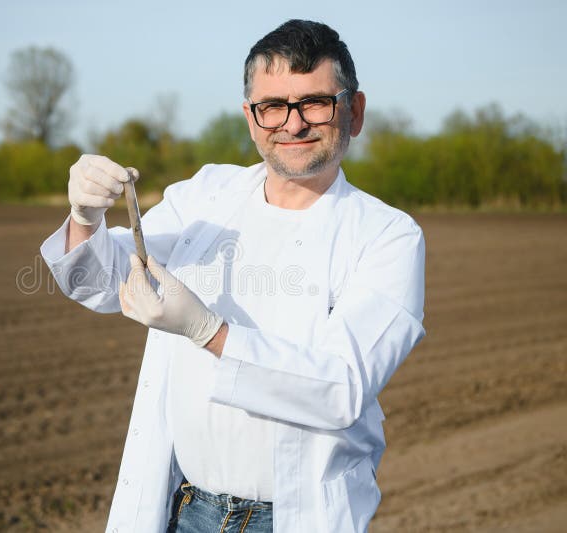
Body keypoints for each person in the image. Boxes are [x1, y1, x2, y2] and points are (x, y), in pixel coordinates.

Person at [40, 19, 425, 533]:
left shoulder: (388, 236)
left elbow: (341, 388)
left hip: (290, 519)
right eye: (273, 107)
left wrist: (208, 332)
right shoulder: (206, 196)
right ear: (250, 117)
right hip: (185, 510)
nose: (293, 124)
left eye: (315, 103)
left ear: (353, 111)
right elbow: (103, 282)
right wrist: (86, 218)